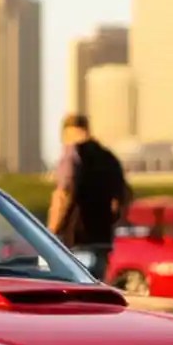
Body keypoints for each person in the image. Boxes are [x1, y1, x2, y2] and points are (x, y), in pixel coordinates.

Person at [47, 114, 131, 281]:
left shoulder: (71, 155)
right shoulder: (109, 158)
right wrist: (111, 221)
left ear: (66, 133)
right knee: (94, 292)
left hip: (76, 240)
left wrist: (50, 232)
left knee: (73, 293)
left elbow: (64, 194)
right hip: (102, 240)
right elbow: (124, 197)